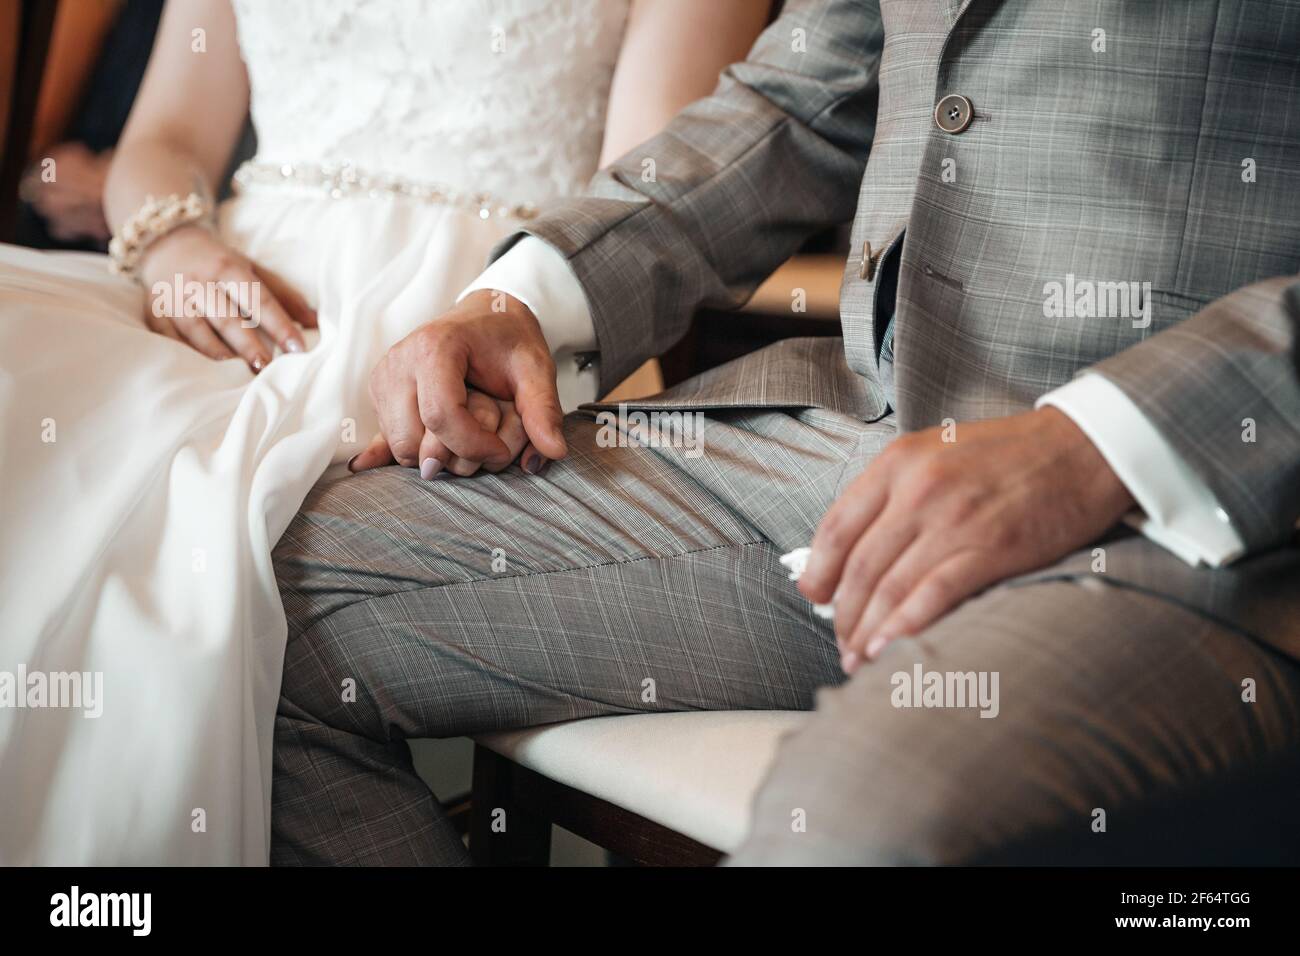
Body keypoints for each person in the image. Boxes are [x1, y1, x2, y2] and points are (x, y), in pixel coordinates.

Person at [271, 0, 1300, 864]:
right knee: (261, 600)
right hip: (863, 439)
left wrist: (1096, 443)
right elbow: (806, 97)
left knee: (858, 822)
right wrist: (530, 298)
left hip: (1196, 506)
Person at [0, 0, 769, 864]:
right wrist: (174, 242)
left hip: (483, 302)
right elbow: (167, 132)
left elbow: (647, 200)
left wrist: (513, 324)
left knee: (201, 532)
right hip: (238, 286)